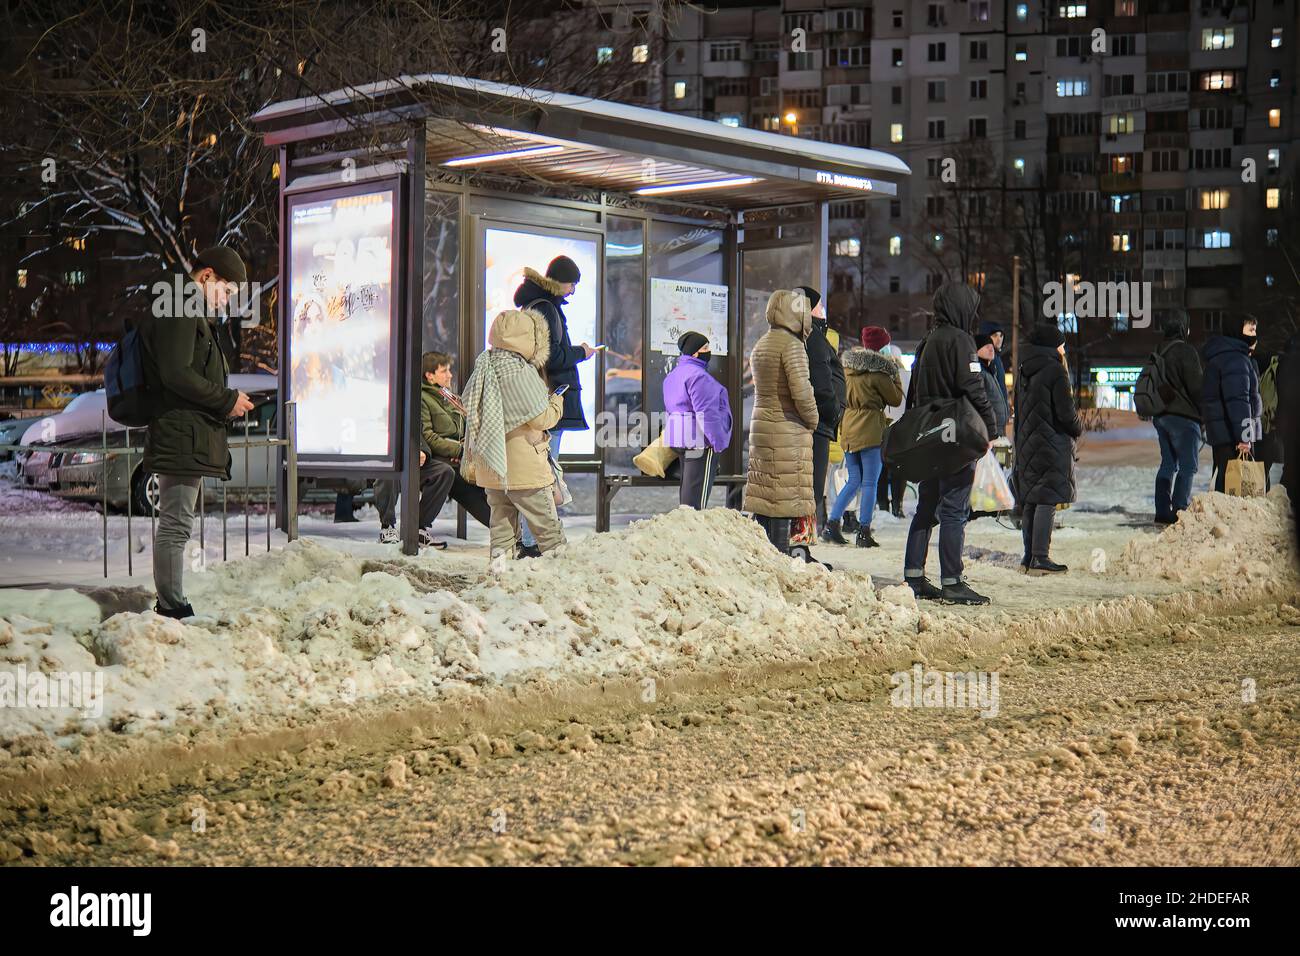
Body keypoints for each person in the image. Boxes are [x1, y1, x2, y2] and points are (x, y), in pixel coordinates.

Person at [141, 246, 255, 619]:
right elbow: (176, 373)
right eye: (227, 292)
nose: (226, 302)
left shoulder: (184, 303)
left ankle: (172, 602)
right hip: (179, 432)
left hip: (185, 431)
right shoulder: (178, 301)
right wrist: (226, 399)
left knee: (177, 523)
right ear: (207, 276)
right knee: (175, 524)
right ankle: (172, 607)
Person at [902, 282, 997, 606]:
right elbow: (973, 387)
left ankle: (913, 575)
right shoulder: (960, 339)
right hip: (955, 434)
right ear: (961, 306)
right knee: (954, 509)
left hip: (930, 434)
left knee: (927, 507)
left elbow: (913, 391)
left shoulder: (927, 341)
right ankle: (953, 582)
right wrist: (991, 426)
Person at [463, 307, 566, 561]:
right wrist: (557, 403)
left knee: (501, 530)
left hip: (493, 467)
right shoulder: (520, 372)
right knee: (549, 532)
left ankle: (500, 579)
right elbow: (542, 418)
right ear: (529, 338)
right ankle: (565, 580)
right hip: (525, 469)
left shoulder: (484, 366)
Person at [512, 256, 595, 556]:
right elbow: (554, 357)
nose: (573, 290)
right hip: (548, 401)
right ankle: (536, 542)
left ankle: (531, 539)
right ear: (560, 281)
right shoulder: (547, 309)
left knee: (539, 471)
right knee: (544, 474)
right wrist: (582, 352)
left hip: (535, 399)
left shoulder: (533, 305)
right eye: (572, 283)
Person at [375, 351, 492, 544]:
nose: (450, 375)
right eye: (444, 371)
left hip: (452, 455)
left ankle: (508, 527)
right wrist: (459, 451)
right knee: (451, 474)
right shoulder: (421, 398)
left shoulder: (448, 398)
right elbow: (428, 436)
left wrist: (464, 448)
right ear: (429, 375)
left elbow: (463, 428)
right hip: (432, 454)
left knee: (471, 480)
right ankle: (401, 526)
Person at [743, 289, 819, 556]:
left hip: (762, 426)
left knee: (767, 498)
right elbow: (801, 390)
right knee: (783, 502)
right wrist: (813, 419)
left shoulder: (763, 343)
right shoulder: (792, 346)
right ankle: (780, 557)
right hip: (787, 431)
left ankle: (765, 555)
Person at [823, 326, 902, 547]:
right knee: (869, 482)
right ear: (881, 347)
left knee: (854, 479)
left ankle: (832, 524)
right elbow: (896, 399)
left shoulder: (847, 367)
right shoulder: (879, 372)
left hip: (848, 427)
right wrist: (894, 372)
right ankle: (864, 532)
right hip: (869, 430)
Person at [1013, 324, 1083, 574]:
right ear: (1054, 346)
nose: (1064, 348)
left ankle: (1029, 557)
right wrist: (1078, 426)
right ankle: (1041, 557)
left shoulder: (1024, 370)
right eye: (1062, 344)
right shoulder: (1055, 371)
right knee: (1047, 500)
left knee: (1033, 498)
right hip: (1052, 443)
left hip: (1028, 443)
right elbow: (1066, 414)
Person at [662, 331, 732, 509]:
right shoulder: (699, 377)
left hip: (679, 438)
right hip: (699, 440)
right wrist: (717, 442)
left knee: (688, 491)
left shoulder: (674, 375)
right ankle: (691, 533)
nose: (709, 351)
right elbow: (706, 413)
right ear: (694, 352)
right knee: (696, 499)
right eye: (705, 348)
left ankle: (685, 530)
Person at [1150, 310, 1203, 524]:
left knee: (1168, 464)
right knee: (1188, 466)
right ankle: (1180, 509)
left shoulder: (1158, 350)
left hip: (1161, 417)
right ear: (1183, 327)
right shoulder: (1186, 351)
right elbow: (1196, 387)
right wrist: (1204, 413)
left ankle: (1162, 510)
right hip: (1183, 417)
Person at [801, 287, 845, 534]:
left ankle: (803, 542)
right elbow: (822, 381)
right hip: (818, 423)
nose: (823, 309)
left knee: (814, 488)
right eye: (819, 305)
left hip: (820, 422)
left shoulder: (814, 335)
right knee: (813, 488)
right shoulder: (814, 338)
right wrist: (833, 411)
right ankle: (801, 544)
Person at [1202, 314, 1262, 493]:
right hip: (1233, 435)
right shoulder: (1235, 360)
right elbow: (1238, 401)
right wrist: (1244, 437)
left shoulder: (1221, 356)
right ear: (1237, 331)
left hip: (1224, 433)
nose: (1254, 335)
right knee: (1232, 488)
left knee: (1224, 481)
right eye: (1250, 330)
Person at [874, 342, 910, 520]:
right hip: (893, 426)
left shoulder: (902, 376)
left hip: (892, 426)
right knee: (892, 468)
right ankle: (892, 505)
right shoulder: (900, 375)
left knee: (889, 468)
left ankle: (889, 505)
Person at [975, 333, 1010, 438]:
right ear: (976, 350)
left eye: (991, 346)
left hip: (997, 428)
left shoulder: (990, 371)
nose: (991, 349)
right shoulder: (979, 373)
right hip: (988, 430)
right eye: (986, 346)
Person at [979, 320, 1009, 407]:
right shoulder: (987, 360)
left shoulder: (997, 358)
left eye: (1001, 335)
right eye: (995, 335)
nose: (999, 339)